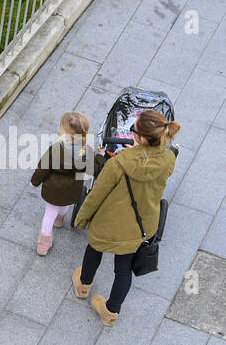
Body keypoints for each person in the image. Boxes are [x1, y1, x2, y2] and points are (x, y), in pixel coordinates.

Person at [72, 110, 180, 326]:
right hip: (142, 225)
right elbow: (147, 167)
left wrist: (81, 219)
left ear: (141, 138)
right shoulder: (169, 158)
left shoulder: (119, 163)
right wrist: (140, 153)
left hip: (109, 223)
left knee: (94, 248)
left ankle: (84, 285)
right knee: (123, 270)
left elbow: (96, 196)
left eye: (134, 130)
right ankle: (110, 313)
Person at [30, 111, 102, 256]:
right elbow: (91, 170)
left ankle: (43, 245)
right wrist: (99, 156)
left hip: (54, 189)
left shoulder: (55, 150)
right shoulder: (85, 152)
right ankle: (60, 220)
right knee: (65, 206)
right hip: (72, 188)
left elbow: (43, 168)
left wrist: (34, 182)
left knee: (48, 214)